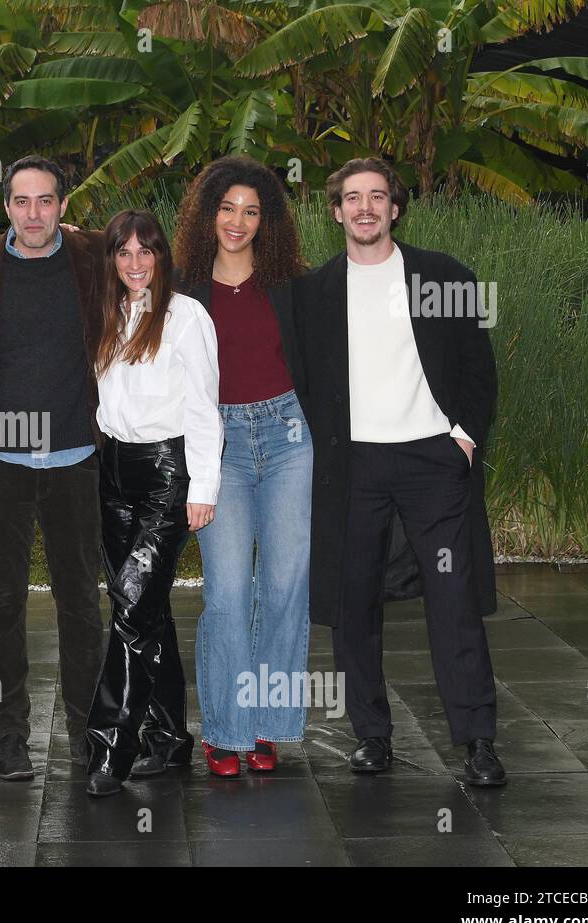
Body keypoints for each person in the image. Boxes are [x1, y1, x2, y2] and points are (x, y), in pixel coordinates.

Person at [292, 157, 505, 786]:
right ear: (335, 211)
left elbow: (478, 369)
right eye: (352, 198)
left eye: (377, 197)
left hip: (432, 463)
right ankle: (372, 735)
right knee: (354, 600)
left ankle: (478, 741)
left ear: (395, 207)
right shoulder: (314, 293)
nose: (364, 208)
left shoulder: (442, 276)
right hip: (354, 464)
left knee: (453, 599)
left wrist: (462, 437)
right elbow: (304, 383)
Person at [0, 156, 109, 781]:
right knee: (3, 603)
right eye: (22, 201)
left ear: (63, 206)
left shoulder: (95, 258)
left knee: (81, 605)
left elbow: (154, 274)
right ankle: (10, 735)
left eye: (46, 201)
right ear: (6, 207)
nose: (34, 213)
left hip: (77, 457)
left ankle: (85, 732)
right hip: (3, 460)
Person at [172, 156, 312, 777]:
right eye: (226, 208)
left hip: (288, 438)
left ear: (267, 221)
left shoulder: (292, 286)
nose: (238, 221)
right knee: (228, 592)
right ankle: (226, 729)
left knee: (283, 588)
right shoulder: (179, 291)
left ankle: (268, 726)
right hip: (216, 444)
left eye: (251, 211)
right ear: (206, 215)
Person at [82, 210, 221, 797]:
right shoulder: (107, 314)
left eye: (146, 251)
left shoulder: (187, 317)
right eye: (123, 252)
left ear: (162, 256)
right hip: (112, 472)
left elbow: (205, 407)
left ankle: (112, 744)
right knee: (149, 613)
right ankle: (171, 735)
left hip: (167, 472)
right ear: (112, 260)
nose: (135, 263)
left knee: (131, 609)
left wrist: (203, 489)